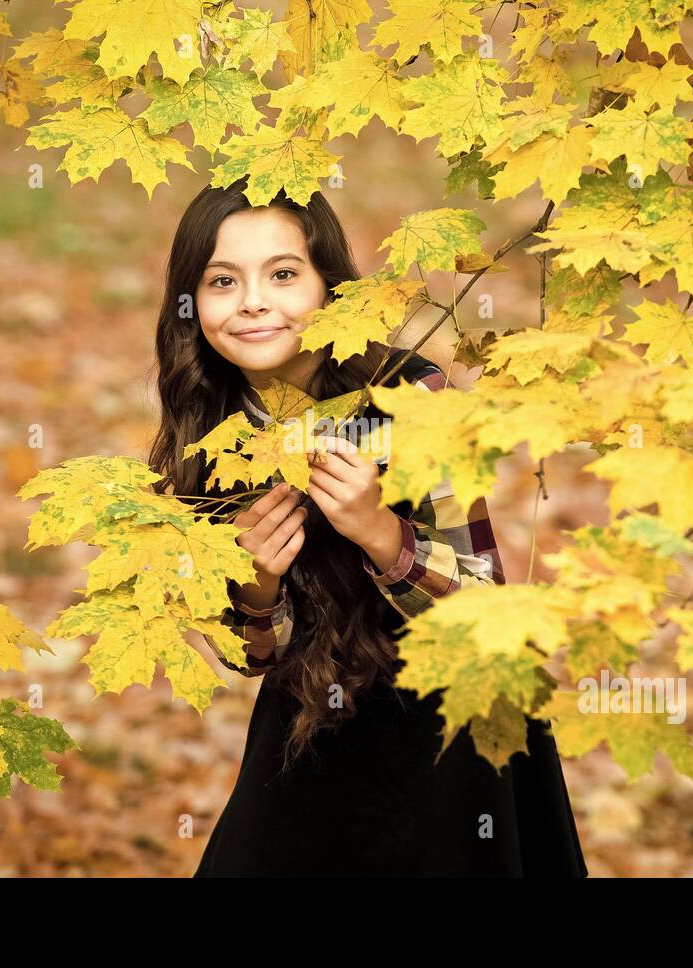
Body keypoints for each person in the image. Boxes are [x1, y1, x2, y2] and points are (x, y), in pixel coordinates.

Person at [147, 176, 587, 877]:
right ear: (189, 304)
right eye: (222, 281)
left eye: (284, 275)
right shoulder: (212, 425)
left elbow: (490, 607)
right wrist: (256, 588)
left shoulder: (408, 396)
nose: (254, 301)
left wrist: (380, 532)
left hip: (450, 725)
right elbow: (251, 657)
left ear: (329, 289)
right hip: (309, 720)